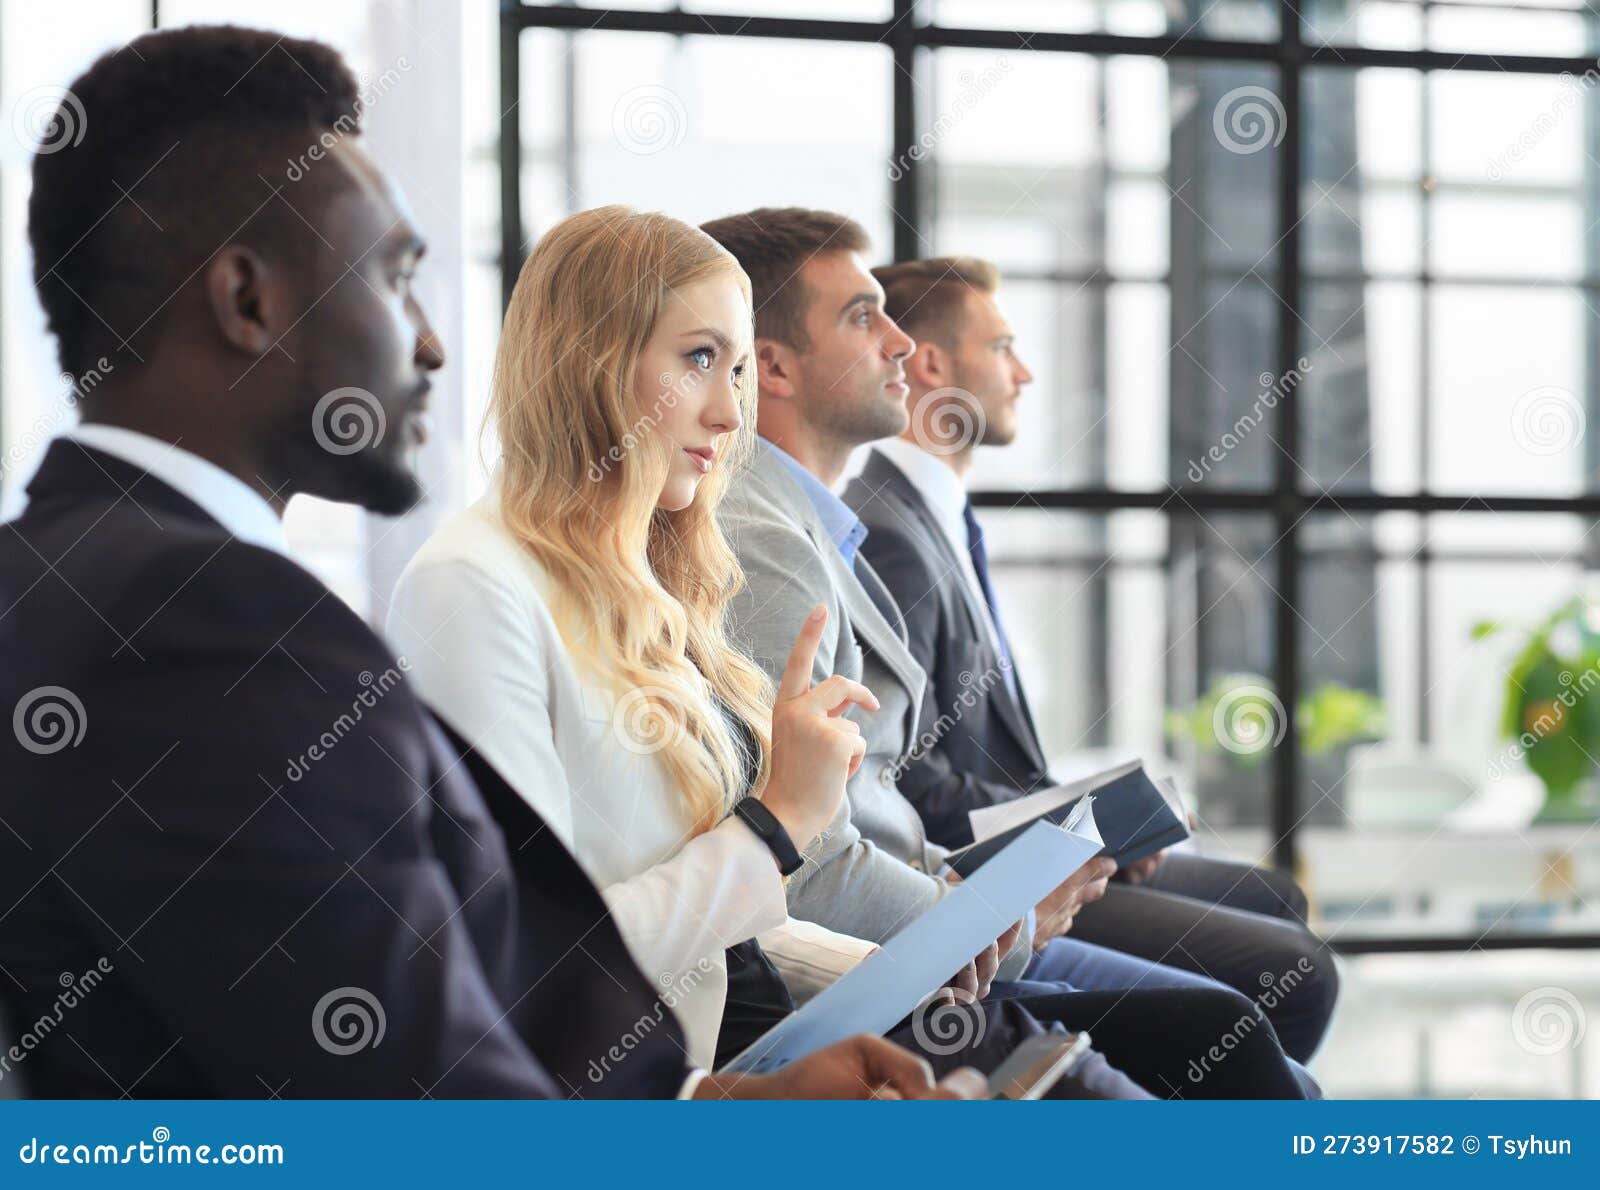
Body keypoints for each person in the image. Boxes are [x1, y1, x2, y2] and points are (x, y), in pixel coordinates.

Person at [0, 25, 979, 1101]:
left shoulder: (83, 575)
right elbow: (426, 1087)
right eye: (392, 277)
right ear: (249, 302)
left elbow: (464, 990)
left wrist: (729, 1099)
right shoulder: (207, 618)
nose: (428, 343)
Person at [386, 205, 1147, 1098]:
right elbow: (523, 962)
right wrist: (776, 822)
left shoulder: (644, 584)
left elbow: (722, 935)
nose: (727, 411)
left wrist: (900, 965)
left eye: (739, 368)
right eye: (698, 358)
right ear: (585, 363)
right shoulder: (473, 587)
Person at [702, 207, 1320, 1098]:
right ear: (775, 366)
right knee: (1243, 1026)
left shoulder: (821, 531)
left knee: (1251, 1022)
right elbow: (820, 847)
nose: (900, 346)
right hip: (889, 964)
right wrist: (992, 909)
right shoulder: (778, 545)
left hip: (930, 913)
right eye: (862, 317)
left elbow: (860, 809)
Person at [843, 254, 1339, 1062]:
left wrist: (1090, 817)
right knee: (1295, 969)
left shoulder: (932, 517)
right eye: (1002, 347)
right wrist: (1078, 827)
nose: (1025, 372)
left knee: (1271, 898)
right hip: (973, 871)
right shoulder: (890, 535)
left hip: (1019, 846)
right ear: (934, 365)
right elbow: (903, 776)